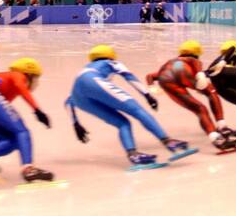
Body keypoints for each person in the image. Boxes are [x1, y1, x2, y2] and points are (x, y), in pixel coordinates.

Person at [66, 44, 197, 168]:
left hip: (77, 96)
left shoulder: (86, 68)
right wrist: (147, 95)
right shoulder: (111, 62)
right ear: (111, 55)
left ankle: (133, 154)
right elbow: (130, 77)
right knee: (137, 110)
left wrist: (75, 123)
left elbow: (68, 101)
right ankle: (168, 142)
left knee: (122, 123)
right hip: (93, 82)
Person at [147, 41, 236, 151]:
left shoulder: (170, 62)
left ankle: (215, 137)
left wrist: (151, 87)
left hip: (166, 80)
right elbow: (197, 69)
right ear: (196, 53)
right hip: (185, 75)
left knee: (199, 109)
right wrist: (201, 78)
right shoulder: (193, 60)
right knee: (210, 94)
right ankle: (222, 127)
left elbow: (150, 76)